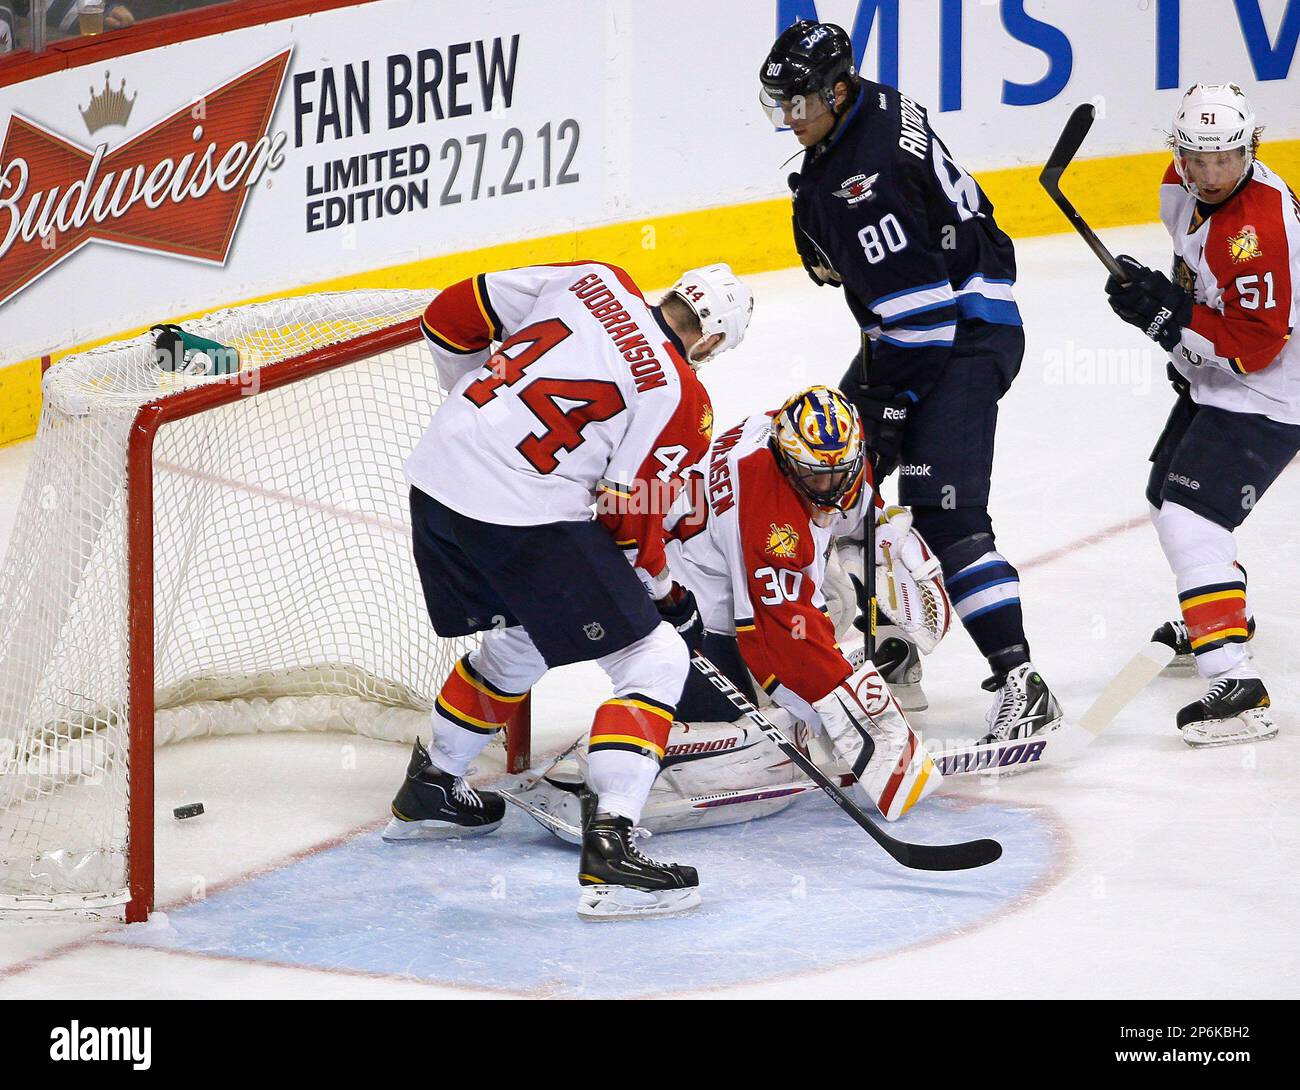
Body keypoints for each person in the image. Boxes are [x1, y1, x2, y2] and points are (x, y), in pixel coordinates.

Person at [383, 259, 753, 920]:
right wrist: (663, 591)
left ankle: (434, 784)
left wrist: (475, 420)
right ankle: (612, 844)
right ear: (714, 343)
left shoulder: (597, 279)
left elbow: (449, 312)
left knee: (523, 638)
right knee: (655, 657)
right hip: (518, 515)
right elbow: (626, 517)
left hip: (436, 479)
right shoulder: (682, 396)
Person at [758, 20, 1062, 744]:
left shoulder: (861, 183)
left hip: (957, 340)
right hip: (939, 325)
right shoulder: (873, 105)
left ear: (836, 90)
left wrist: (892, 407)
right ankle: (889, 647)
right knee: (827, 482)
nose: (791, 119)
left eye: (801, 103)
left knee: (945, 513)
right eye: (783, 104)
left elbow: (924, 320)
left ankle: (1021, 679)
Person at [509, 385, 950, 838]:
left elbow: (848, 503)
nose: (827, 488)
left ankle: (856, 679)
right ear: (787, 461)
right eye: (814, 478)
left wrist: (884, 532)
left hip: (680, 574)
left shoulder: (796, 436)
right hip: (667, 607)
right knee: (760, 747)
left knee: (833, 595)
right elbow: (780, 634)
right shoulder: (770, 512)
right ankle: (587, 774)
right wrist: (860, 725)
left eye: (838, 474)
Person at [1102, 83, 1296, 747]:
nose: (1210, 174)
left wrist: (1172, 319)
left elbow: (1255, 346)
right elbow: (1195, 275)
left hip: (1274, 390)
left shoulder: (1261, 230)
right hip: (1218, 377)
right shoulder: (1177, 184)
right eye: (1197, 157)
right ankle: (1219, 610)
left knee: (1193, 514)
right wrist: (1165, 313)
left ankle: (1234, 678)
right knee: (1164, 496)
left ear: (1251, 149)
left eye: (1226, 159)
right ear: (1178, 151)